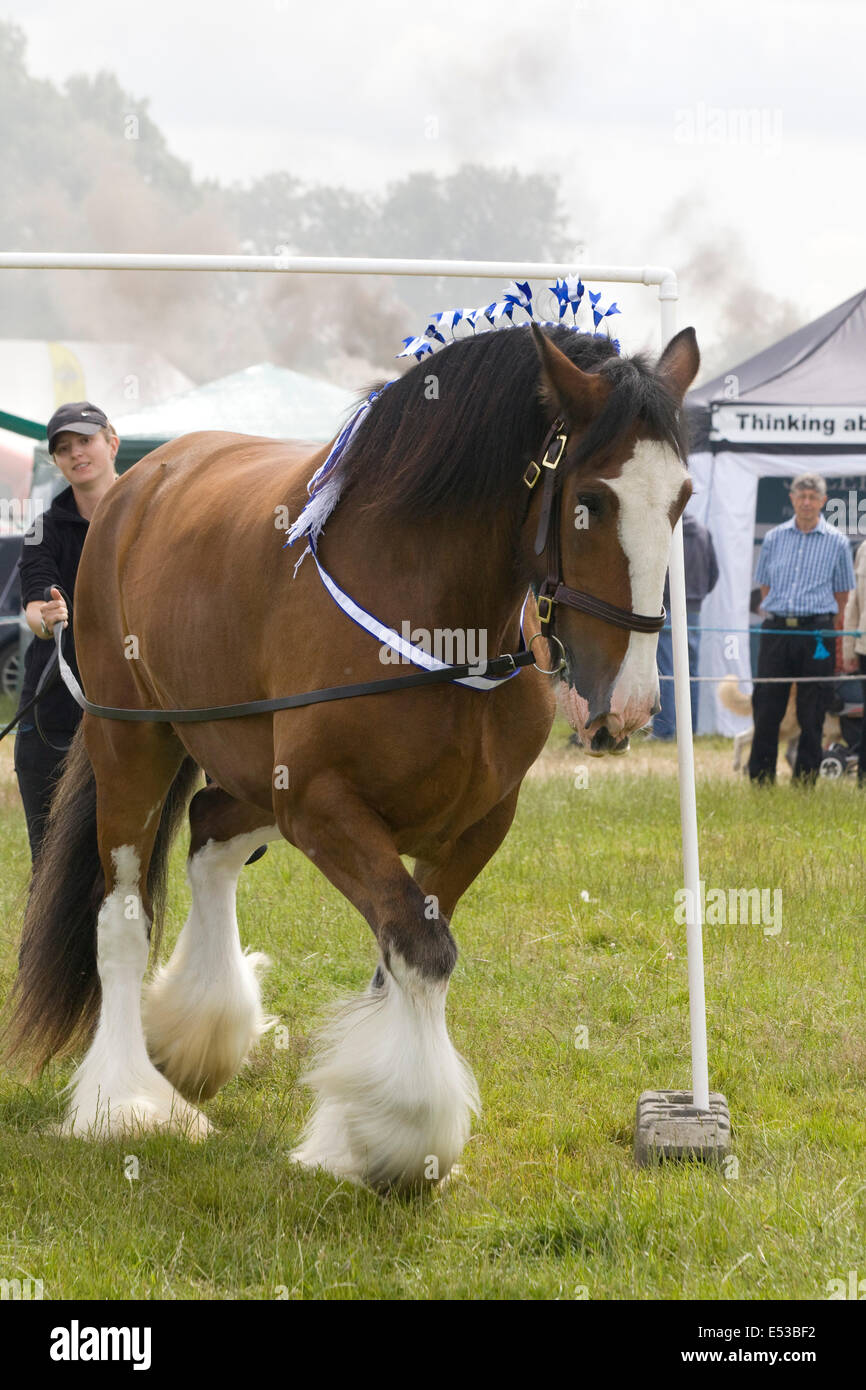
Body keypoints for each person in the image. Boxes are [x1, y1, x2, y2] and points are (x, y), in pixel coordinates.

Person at [13, 402, 120, 864]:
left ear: (111, 442)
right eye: (64, 448)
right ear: (56, 461)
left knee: (117, 863)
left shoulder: (153, 516)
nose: (76, 453)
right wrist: (48, 617)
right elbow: (34, 609)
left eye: (85, 440)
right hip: (52, 719)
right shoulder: (44, 530)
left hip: (130, 717)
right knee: (52, 863)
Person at [748, 472, 854, 785]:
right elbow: (765, 587)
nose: (806, 502)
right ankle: (761, 780)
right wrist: (784, 614)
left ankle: (805, 780)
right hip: (777, 630)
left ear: (822, 502)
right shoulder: (774, 538)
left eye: (813, 497)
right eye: (801, 496)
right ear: (792, 499)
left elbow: (843, 596)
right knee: (767, 706)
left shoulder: (837, 542)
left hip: (816, 632)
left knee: (813, 710)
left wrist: (823, 627)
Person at [652, 510, 718, 739]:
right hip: (694, 610)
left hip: (668, 607)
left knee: (667, 671)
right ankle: (690, 729)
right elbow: (713, 575)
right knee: (691, 671)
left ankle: (665, 730)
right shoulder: (702, 531)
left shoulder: (664, 530)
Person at [842, 537, 866, 785]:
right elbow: (854, 604)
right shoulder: (863, 549)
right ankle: (863, 779)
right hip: (864, 647)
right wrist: (848, 648)